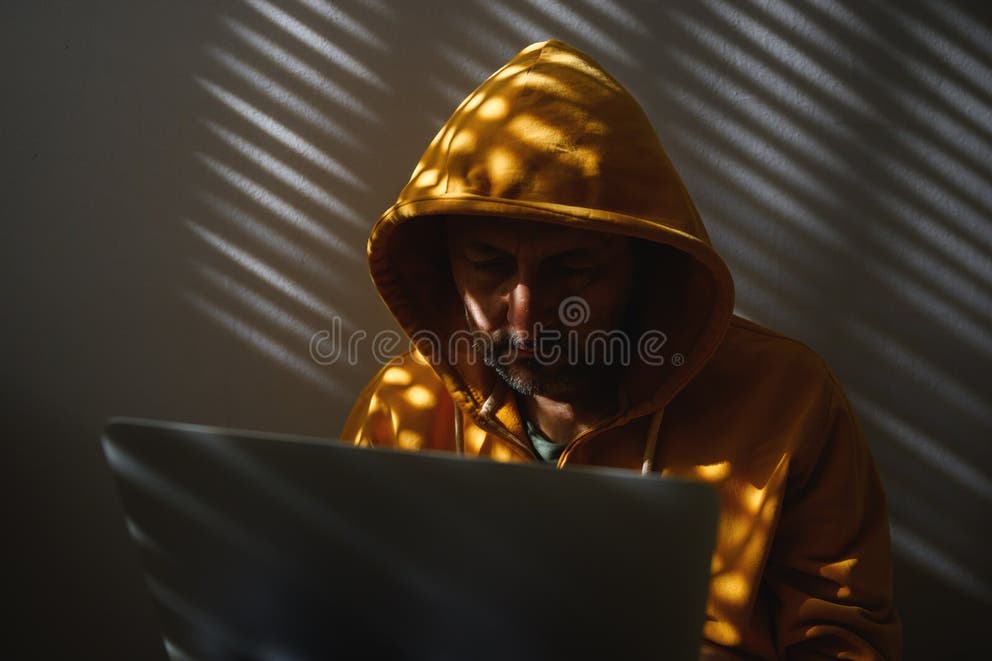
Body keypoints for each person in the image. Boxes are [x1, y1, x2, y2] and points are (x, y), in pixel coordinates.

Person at [340, 40, 901, 659]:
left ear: (644, 264)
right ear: (444, 265)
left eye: (572, 267)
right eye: (490, 263)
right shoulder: (404, 407)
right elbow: (339, 610)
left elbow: (847, 643)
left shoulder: (786, 403)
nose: (525, 316)